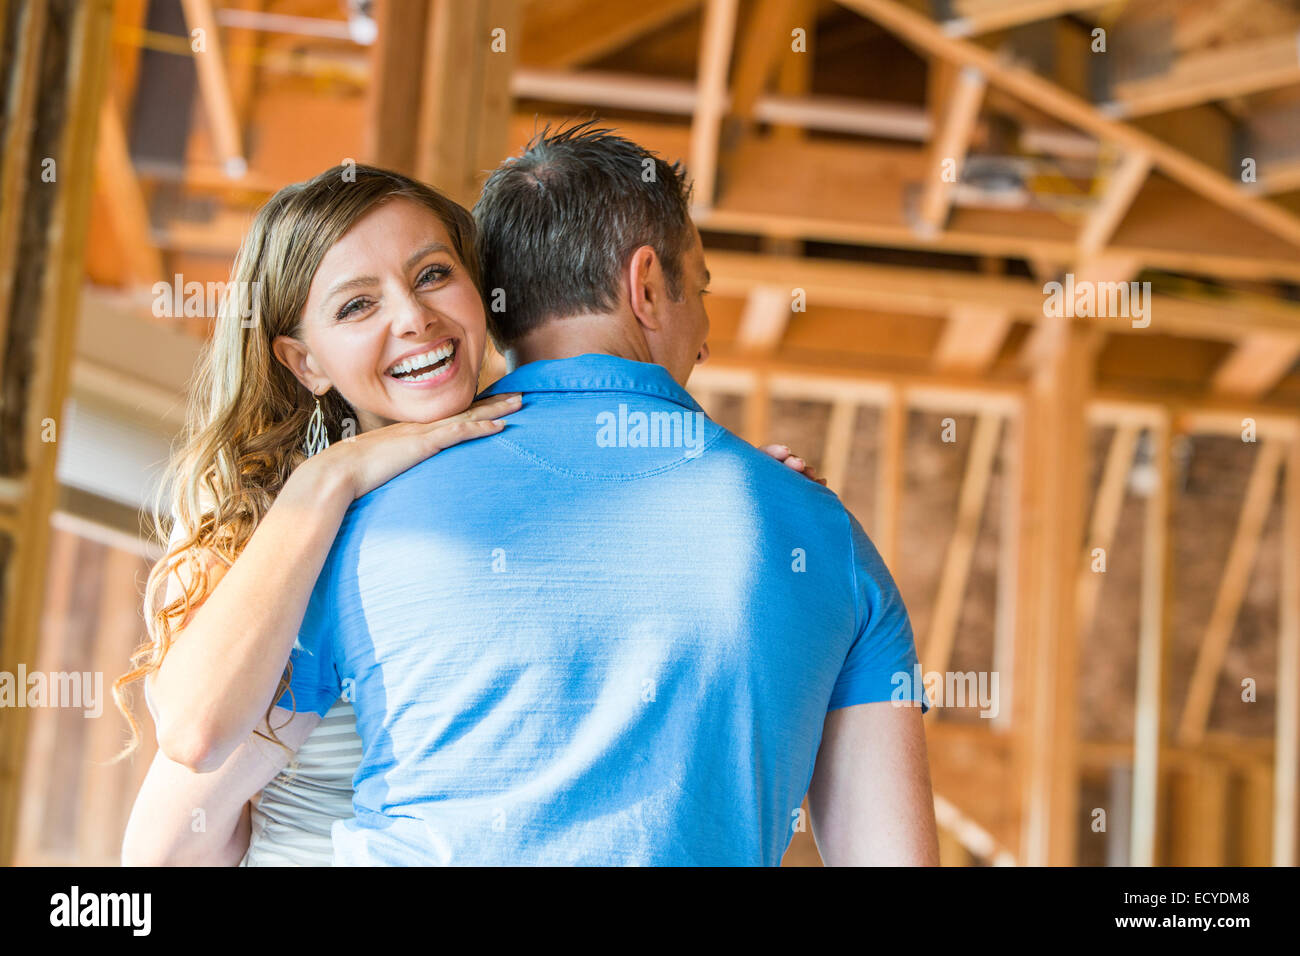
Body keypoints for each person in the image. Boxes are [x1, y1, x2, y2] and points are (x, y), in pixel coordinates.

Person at [127, 122, 938, 866]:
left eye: (434, 275)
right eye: (358, 305)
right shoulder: (305, 528)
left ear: (487, 295)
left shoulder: (373, 526)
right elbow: (171, 821)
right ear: (646, 285)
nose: (412, 319)